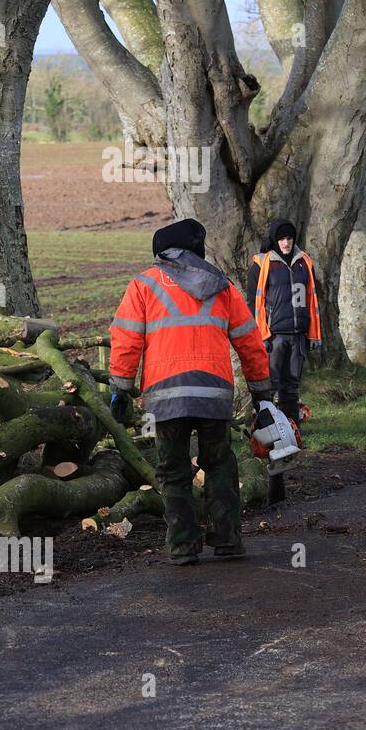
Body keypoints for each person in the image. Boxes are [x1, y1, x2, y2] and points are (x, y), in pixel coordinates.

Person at [109, 219, 273, 565]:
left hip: (165, 396)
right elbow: (250, 341)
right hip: (213, 393)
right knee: (220, 465)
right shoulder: (221, 285)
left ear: (161, 252)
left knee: (173, 470)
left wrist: (121, 388)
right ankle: (227, 541)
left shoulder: (143, 285)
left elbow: (126, 339)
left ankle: (183, 547)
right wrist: (262, 392)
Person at [246, 219, 322, 424]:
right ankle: (265, 430)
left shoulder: (304, 262)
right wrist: (261, 335)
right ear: (274, 240)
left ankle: (292, 429)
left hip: (298, 335)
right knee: (269, 385)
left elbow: (313, 299)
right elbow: (253, 303)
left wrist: (314, 334)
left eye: (289, 238)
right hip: (274, 336)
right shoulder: (262, 264)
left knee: (291, 385)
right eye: (281, 239)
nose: (286, 242)